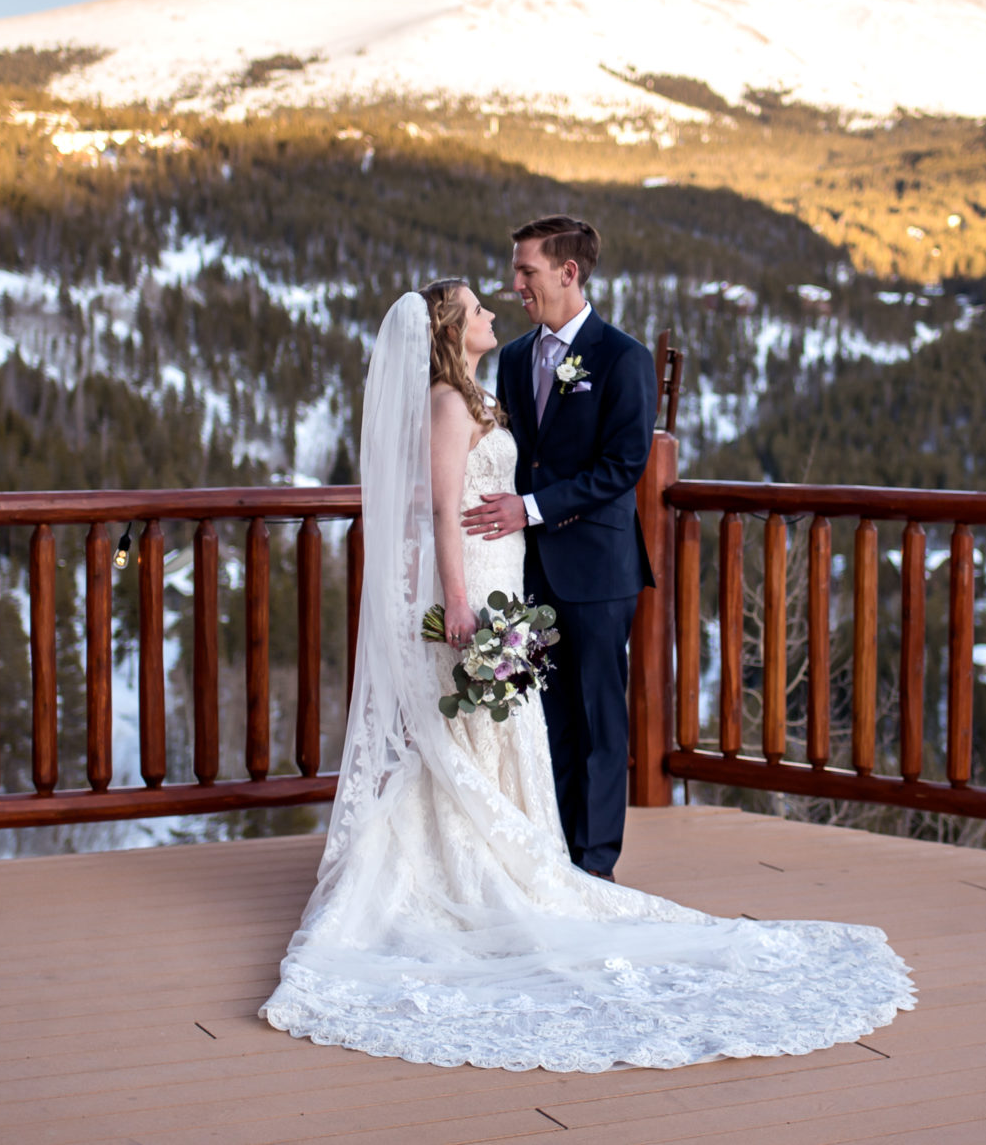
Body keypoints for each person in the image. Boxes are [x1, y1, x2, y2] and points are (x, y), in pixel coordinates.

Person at [258, 262, 913, 1074]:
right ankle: (463, 872)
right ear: (447, 330)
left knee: (518, 729)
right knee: (468, 733)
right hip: (481, 586)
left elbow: (583, 465)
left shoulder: (495, 384)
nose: (495, 304)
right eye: (476, 305)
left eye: (511, 283)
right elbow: (438, 509)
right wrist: (457, 597)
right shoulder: (446, 399)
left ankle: (547, 862)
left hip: (515, 575)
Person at [463, 215, 652, 879]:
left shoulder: (623, 358)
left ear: (569, 273)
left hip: (599, 570)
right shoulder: (514, 359)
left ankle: (596, 867)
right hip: (528, 572)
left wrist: (532, 509)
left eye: (528, 271)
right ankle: (557, 857)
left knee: (600, 720)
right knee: (546, 718)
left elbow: (623, 465)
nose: (515, 284)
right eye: (516, 271)